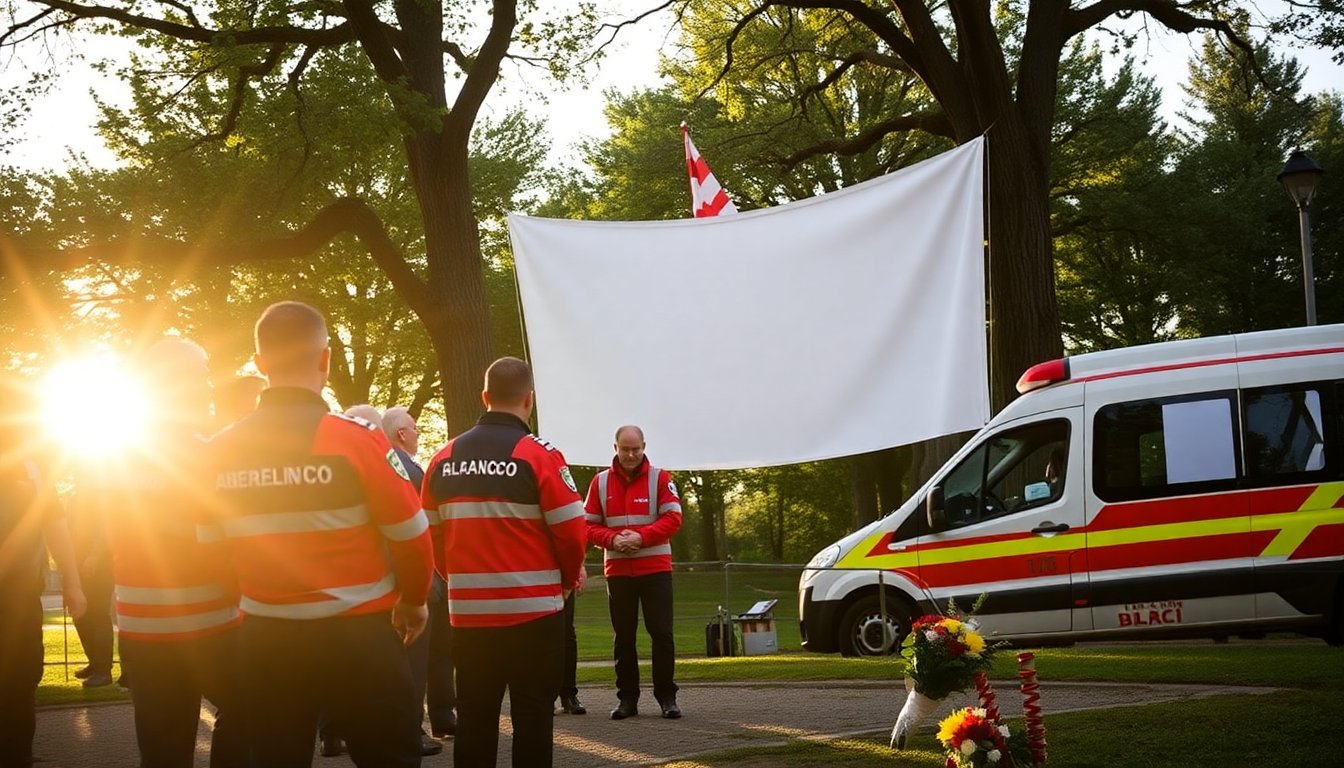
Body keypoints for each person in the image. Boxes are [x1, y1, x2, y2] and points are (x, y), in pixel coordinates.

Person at [208, 301, 434, 768]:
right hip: (361, 637)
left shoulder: (220, 450)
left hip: (266, 638)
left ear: (259, 362)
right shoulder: (358, 439)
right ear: (326, 360)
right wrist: (413, 600)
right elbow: (412, 537)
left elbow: (209, 549)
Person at [421, 356, 586, 768]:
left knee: (475, 715)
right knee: (533, 717)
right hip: (535, 613)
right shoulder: (539, 455)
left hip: (471, 617)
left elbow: (430, 538)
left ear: (484, 397)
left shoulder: (443, 458)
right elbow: (572, 530)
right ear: (529, 400)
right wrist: (566, 582)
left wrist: (457, 580)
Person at [91, 339, 247, 768]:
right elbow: (217, 539)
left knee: (162, 746)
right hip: (209, 619)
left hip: (142, 624)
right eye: (200, 373)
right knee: (252, 710)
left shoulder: (114, 455)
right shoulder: (206, 452)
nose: (207, 383)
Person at [0, 375, 86, 768]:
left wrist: (72, 580)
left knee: (19, 683)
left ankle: (17, 755)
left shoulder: (34, 468)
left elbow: (56, 525)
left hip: (19, 599)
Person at [585, 425, 684, 720]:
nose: (631, 454)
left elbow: (674, 519)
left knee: (661, 633)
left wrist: (640, 537)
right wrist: (612, 539)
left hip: (655, 569)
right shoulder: (600, 482)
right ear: (614, 447)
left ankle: (667, 697)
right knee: (623, 636)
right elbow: (587, 525)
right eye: (625, 449)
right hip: (618, 571)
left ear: (644, 446)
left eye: (636, 449)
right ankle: (627, 700)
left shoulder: (660, 478)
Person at [384, 406, 458, 742]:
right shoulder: (404, 471)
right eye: (414, 428)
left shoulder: (401, 467)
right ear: (402, 433)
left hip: (427, 576)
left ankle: (443, 714)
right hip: (421, 576)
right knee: (417, 657)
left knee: (438, 651)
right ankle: (412, 728)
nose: (417, 433)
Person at [555, 565, 587, 715]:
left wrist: (579, 566)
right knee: (535, 637)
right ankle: (543, 697)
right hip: (531, 572)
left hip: (561, 573)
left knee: (567, 634)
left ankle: (568, 695)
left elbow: (573, 541)